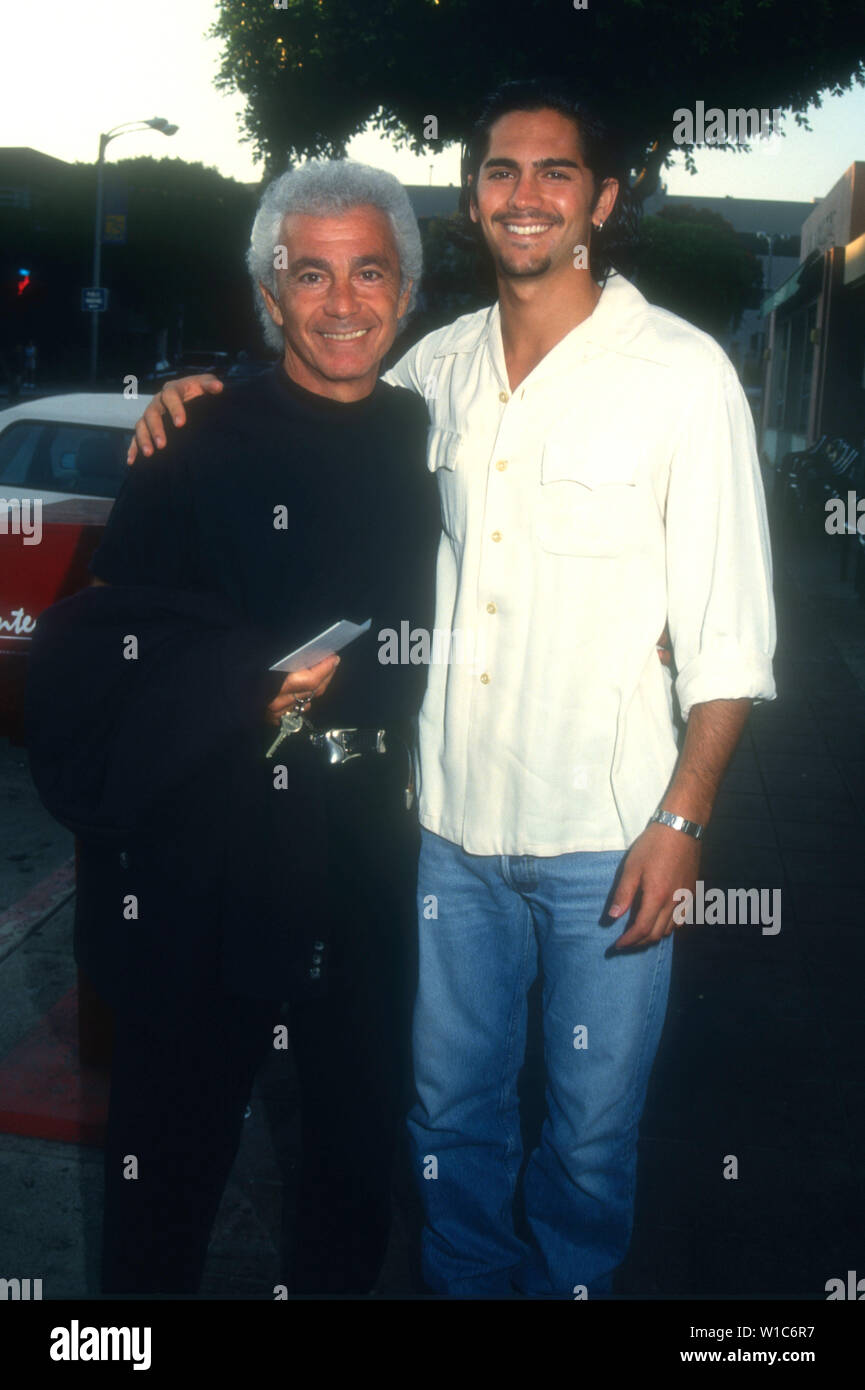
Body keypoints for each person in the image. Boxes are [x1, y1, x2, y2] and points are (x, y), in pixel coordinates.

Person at [128, 79, 777, 1298]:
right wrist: (197, 394)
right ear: (473, 198)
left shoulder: (683, 380)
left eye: (554, 173)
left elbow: (731, 638)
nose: (524, 196)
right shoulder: (437, 369)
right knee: (446, 1120)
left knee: (587, 1133)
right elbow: (321, 401)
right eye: (499, 172)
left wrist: (682, 823)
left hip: (609, 832)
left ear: (601, 199)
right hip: (443, 831)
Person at [27, 159, 439, 1296]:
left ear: (406, 290)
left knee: (356, 1157)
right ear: (270, 294)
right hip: (210, 849)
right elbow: (111, 657)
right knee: (170, 1166)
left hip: (368, 846)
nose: (344, 301)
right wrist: (244, 684)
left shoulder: (429, 435)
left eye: (370, 271)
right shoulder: (193, 441)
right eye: (312, 274)